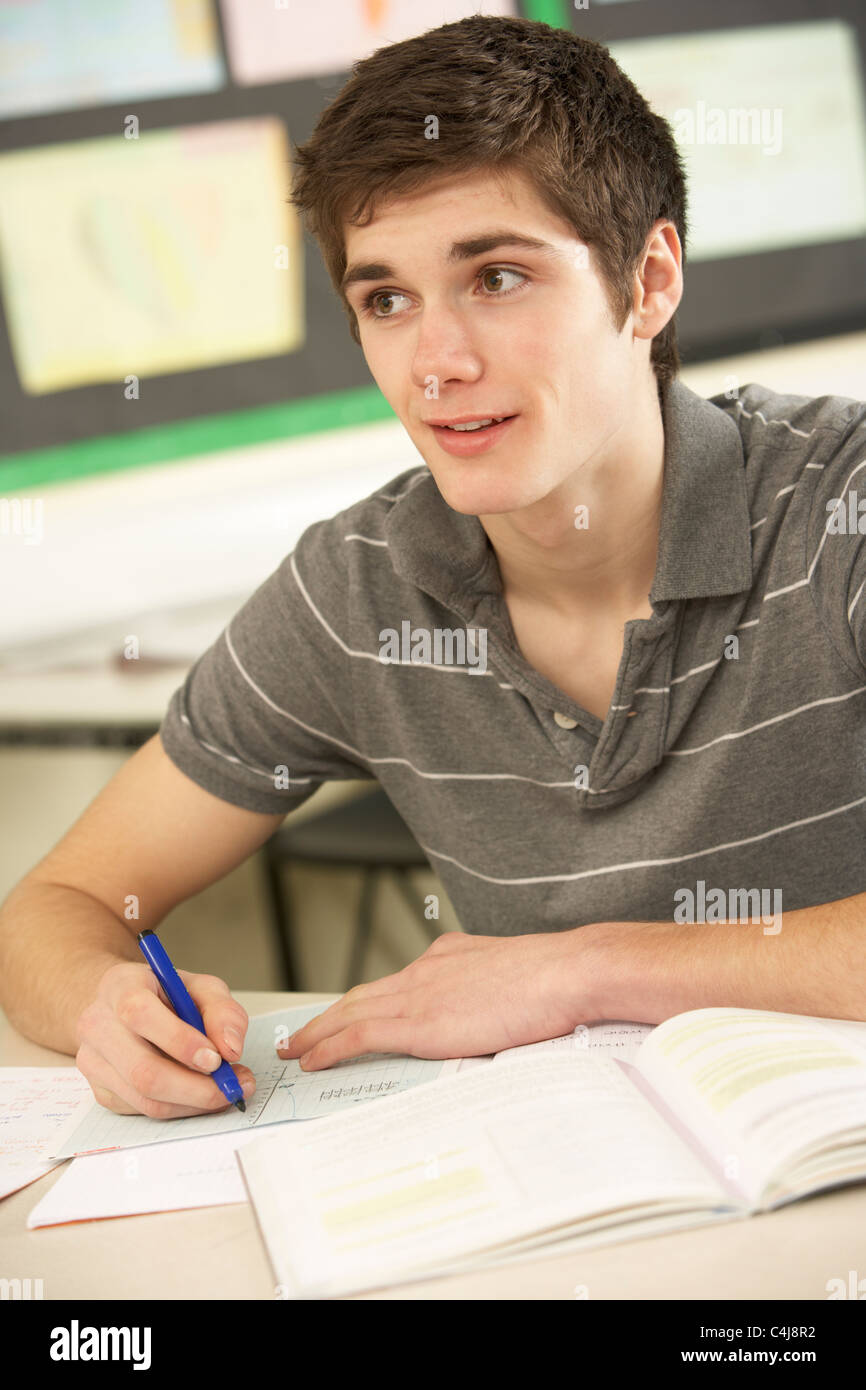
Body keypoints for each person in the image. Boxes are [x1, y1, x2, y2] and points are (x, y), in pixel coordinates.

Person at [1, 15, 864, 1121]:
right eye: (385, 301)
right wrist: (102, 1004)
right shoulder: (356, 590)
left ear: (645, 284)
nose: (436, 365)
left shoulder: (838, 505)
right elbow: (58, 903)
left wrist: (579, 968)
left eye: (496, 277)